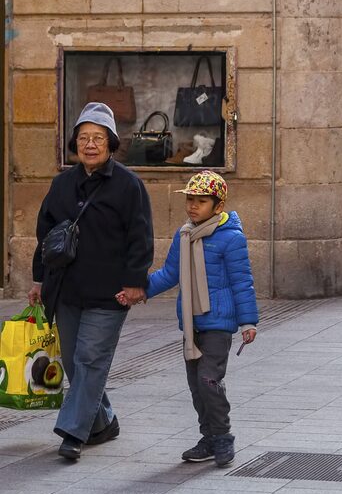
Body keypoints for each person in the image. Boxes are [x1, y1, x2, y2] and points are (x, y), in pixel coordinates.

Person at [29, 102, 153, 461]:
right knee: (73, 362)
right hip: (65, 290)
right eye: (84, 137)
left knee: (90, 360)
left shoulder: (129, 186)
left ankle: (72, 432)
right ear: (75, 143)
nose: (90, 144)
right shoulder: (61, 184)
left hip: (109, 292)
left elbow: (140, 238)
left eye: (98, 137)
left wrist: (135, 283)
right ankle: (104, 421)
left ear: (111, 143)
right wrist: (38, 280)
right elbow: (45, 234)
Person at [133, 171, 258, 467]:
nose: (192, 206)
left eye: (200, 201)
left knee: (208, 379)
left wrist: (248, 322)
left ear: (217, 206)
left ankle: (223, 436)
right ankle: (209, 438)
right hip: (192, 322)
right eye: (190, 200)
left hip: (218, 322)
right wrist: (138, 290)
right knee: (195, 384)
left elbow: (243, 282)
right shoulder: (185, 234)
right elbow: (170, 273)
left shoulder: (231, 238)